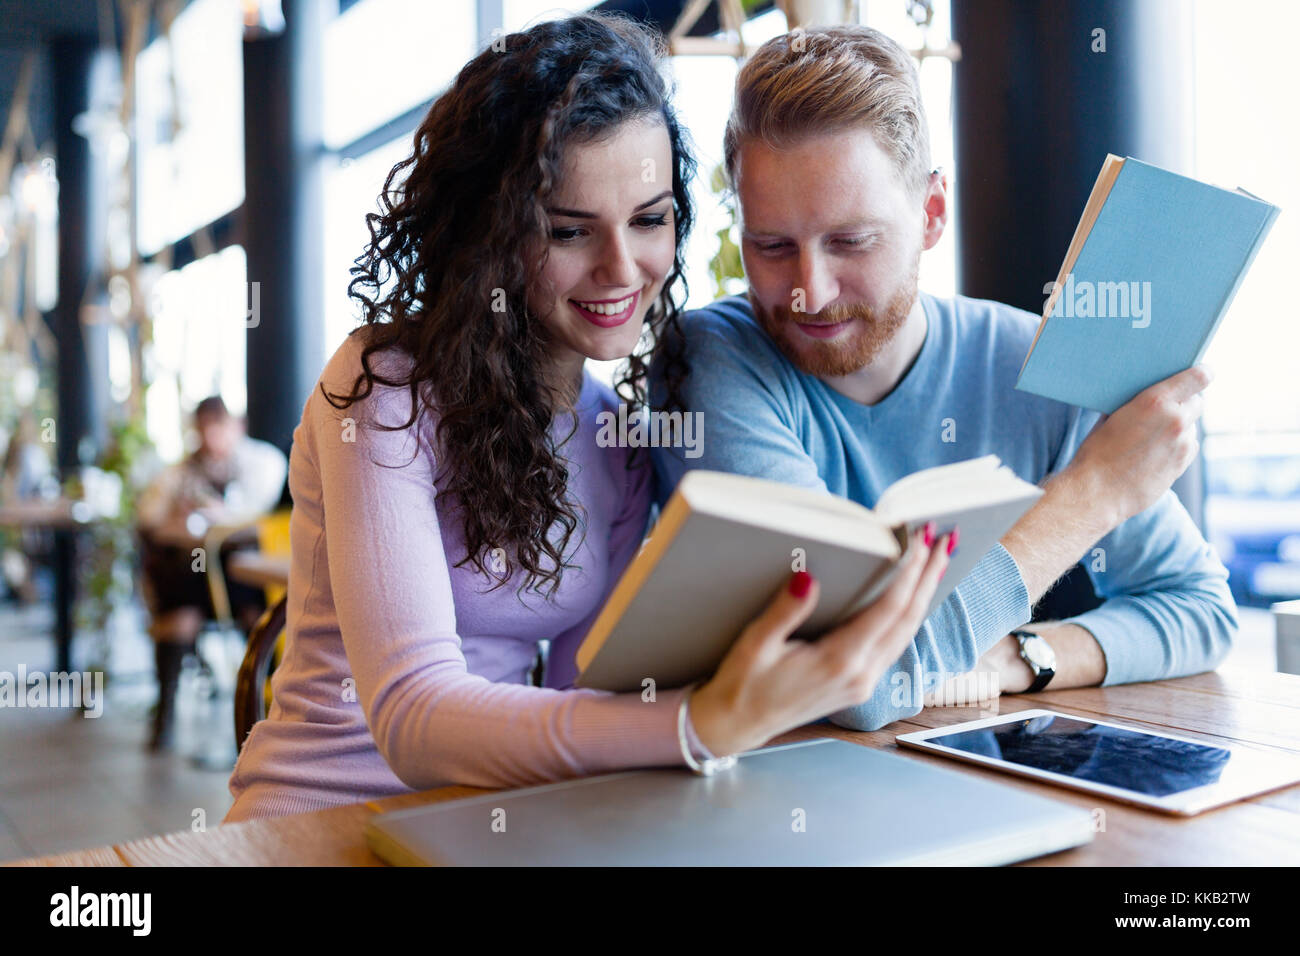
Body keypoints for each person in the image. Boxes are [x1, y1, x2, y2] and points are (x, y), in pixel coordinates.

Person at [223, 13, 954, 822]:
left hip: (493, 819)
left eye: (649, 219)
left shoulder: (616, 434)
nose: (621, 268)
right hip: (318, 820)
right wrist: (697, 723)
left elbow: (586, 699)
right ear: (492, 237)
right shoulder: (382, 388)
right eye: (569, 230)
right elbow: (412, 716)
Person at [651, 26, 1236, 731]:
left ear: (931, 213)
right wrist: (1095, 493)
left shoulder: (1029, 363)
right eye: (772, 246)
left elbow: (1201, 610)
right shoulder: (712, 360)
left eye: (850, 241)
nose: (810, 288)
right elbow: (859, 688)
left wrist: (1020, 659)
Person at [137, 395, 288, 750]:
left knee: (253, 611)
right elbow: (150, 518)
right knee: (177, 608)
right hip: (196, 576)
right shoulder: (182, 470)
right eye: (204, 429)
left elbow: (249, 518)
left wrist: (199, 523)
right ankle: (167, 716)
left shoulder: (260, 461)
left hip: (242, 575)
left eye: (218, 427)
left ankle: (269, 715)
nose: (211, 438)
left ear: (237, 427)